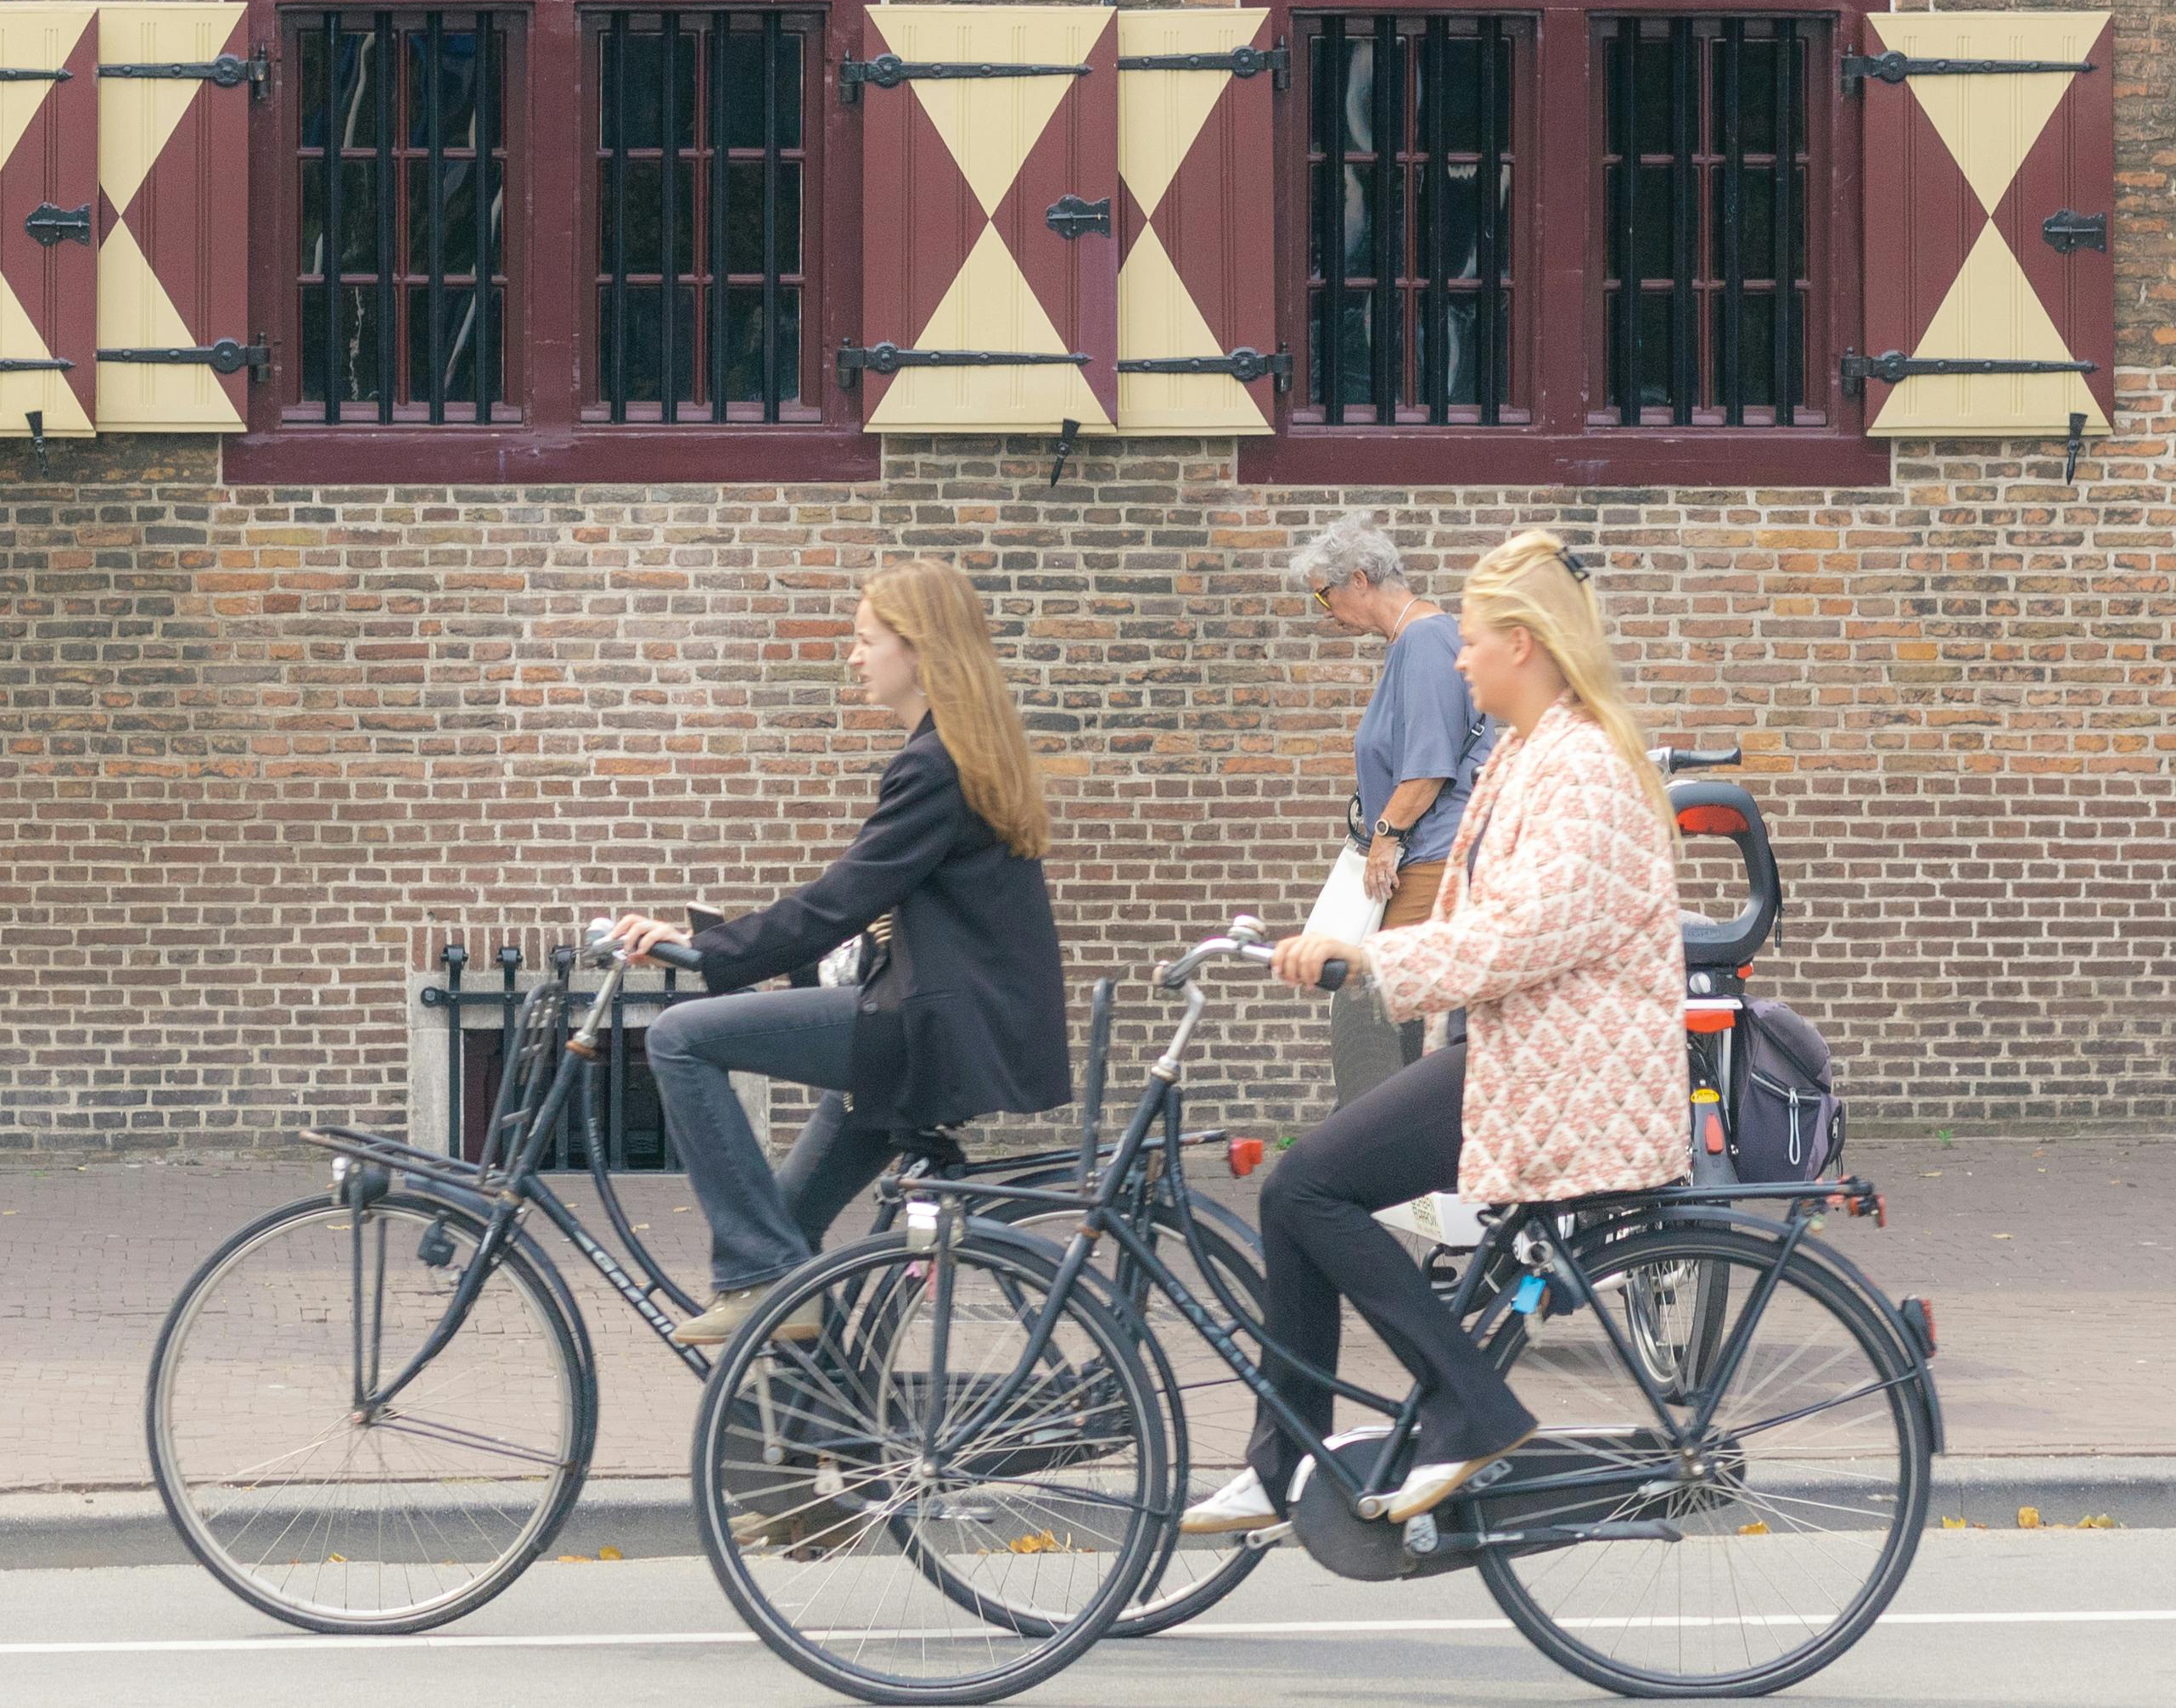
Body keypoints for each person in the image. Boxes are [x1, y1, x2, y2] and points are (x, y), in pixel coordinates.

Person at [1190, 528, 1685, 1535]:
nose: (1457, 659)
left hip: (1562, 1066)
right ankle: (1288, 1455)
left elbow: (1525, 931)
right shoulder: (1528, 753)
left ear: (1527, 644)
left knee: (1308, 1183)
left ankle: (1472, 1406)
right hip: (1525, 1050)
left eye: (1472, 641)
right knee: (1301, 1190)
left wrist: (1372, 956)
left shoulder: (1580, 765)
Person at [605, 558, 1068, 1350]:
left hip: (924, 1029)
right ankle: (818, 1437)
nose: (852, 657)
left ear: (918, 650)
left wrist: (704, 951)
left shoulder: (934, 765)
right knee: (785, 1246)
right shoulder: (960, 752)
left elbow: (838, 902)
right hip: (935, 1023)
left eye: (864, 641)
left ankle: (760, 1282)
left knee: (679, 1038)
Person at [1287, 515, 1491, 950]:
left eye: (1324, 597)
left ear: (1358, 580)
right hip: (1426, 856)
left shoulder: (1425, 641)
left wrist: (1384, 840)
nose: (1325, 613)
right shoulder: (1409, 642)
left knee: (1389, 999)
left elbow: (1429, 767)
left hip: (1436, 859)